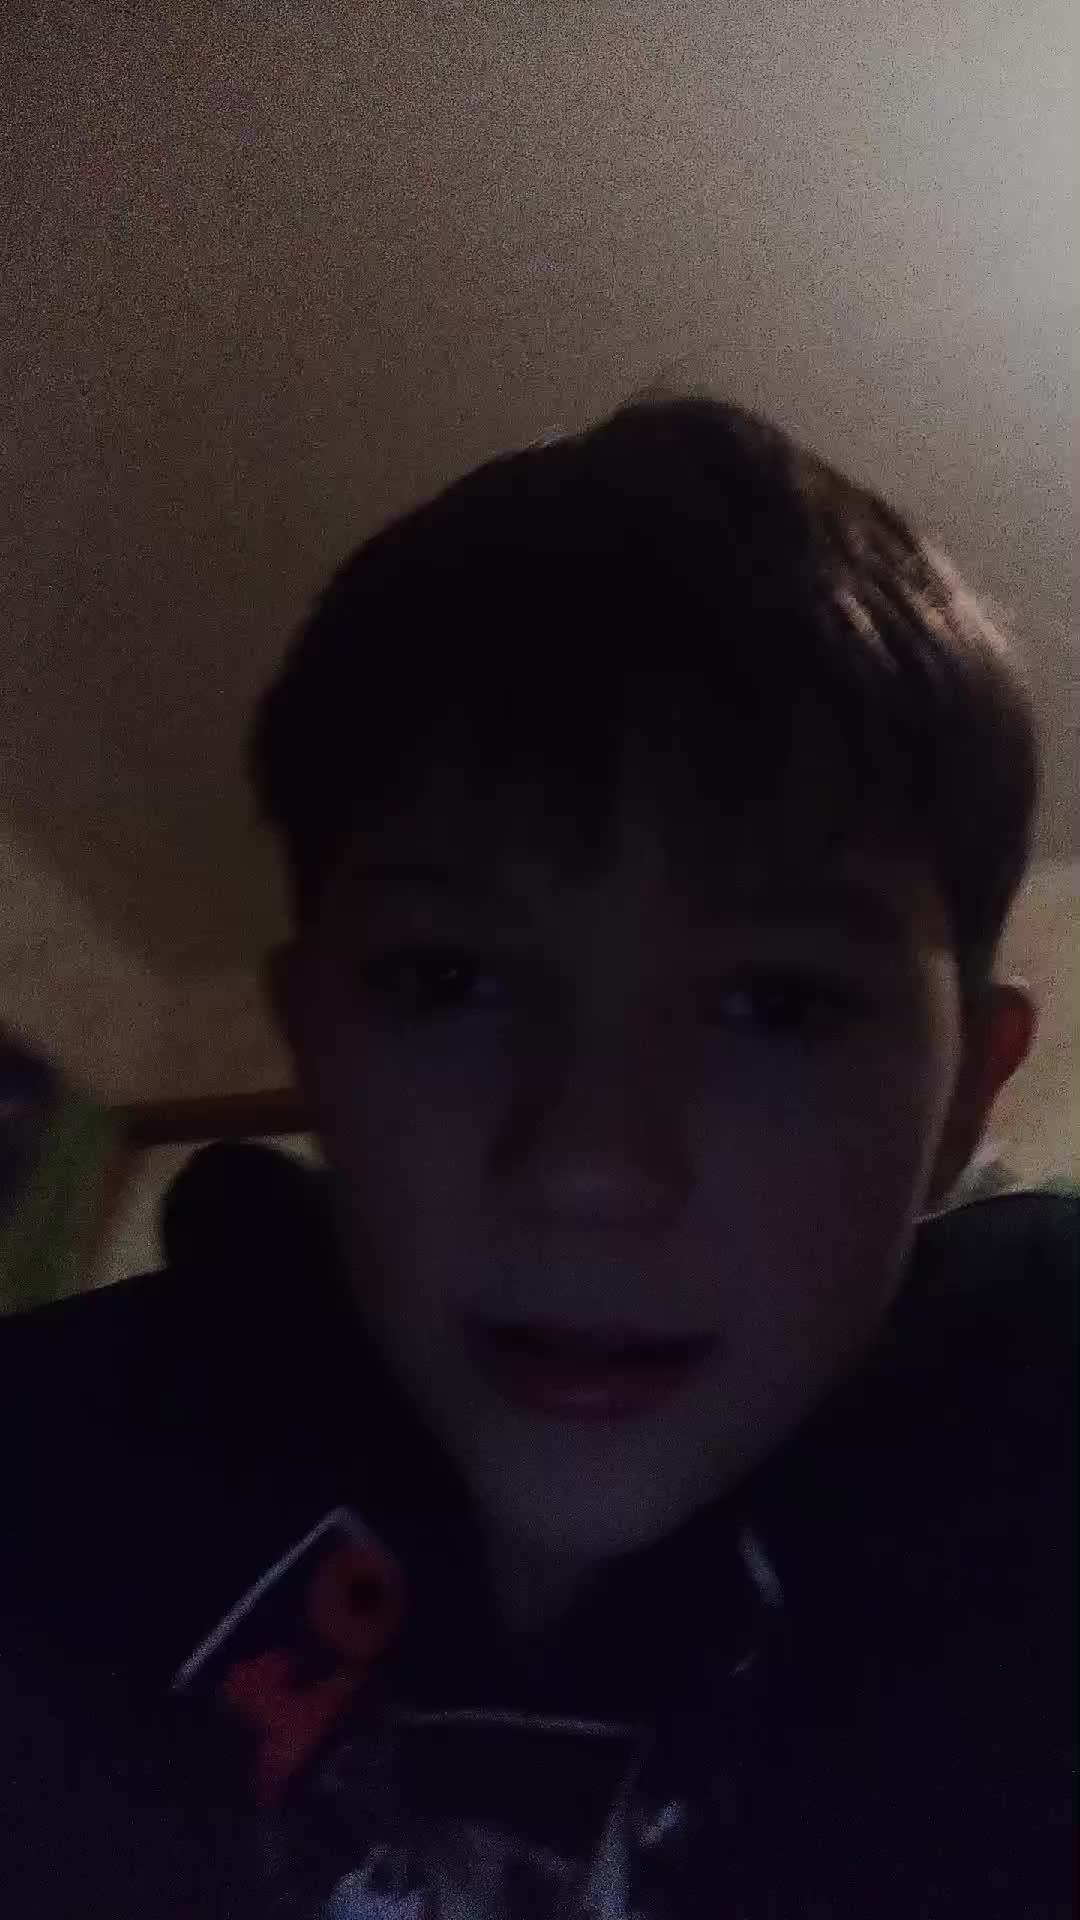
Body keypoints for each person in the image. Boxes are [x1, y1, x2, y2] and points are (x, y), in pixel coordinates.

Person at [0, 394, 1074, 1918]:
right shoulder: (64, 1483)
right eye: (450, 982)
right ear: (314, 1045)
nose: (588, 1167)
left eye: (776, 1004)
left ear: (965, 1097)